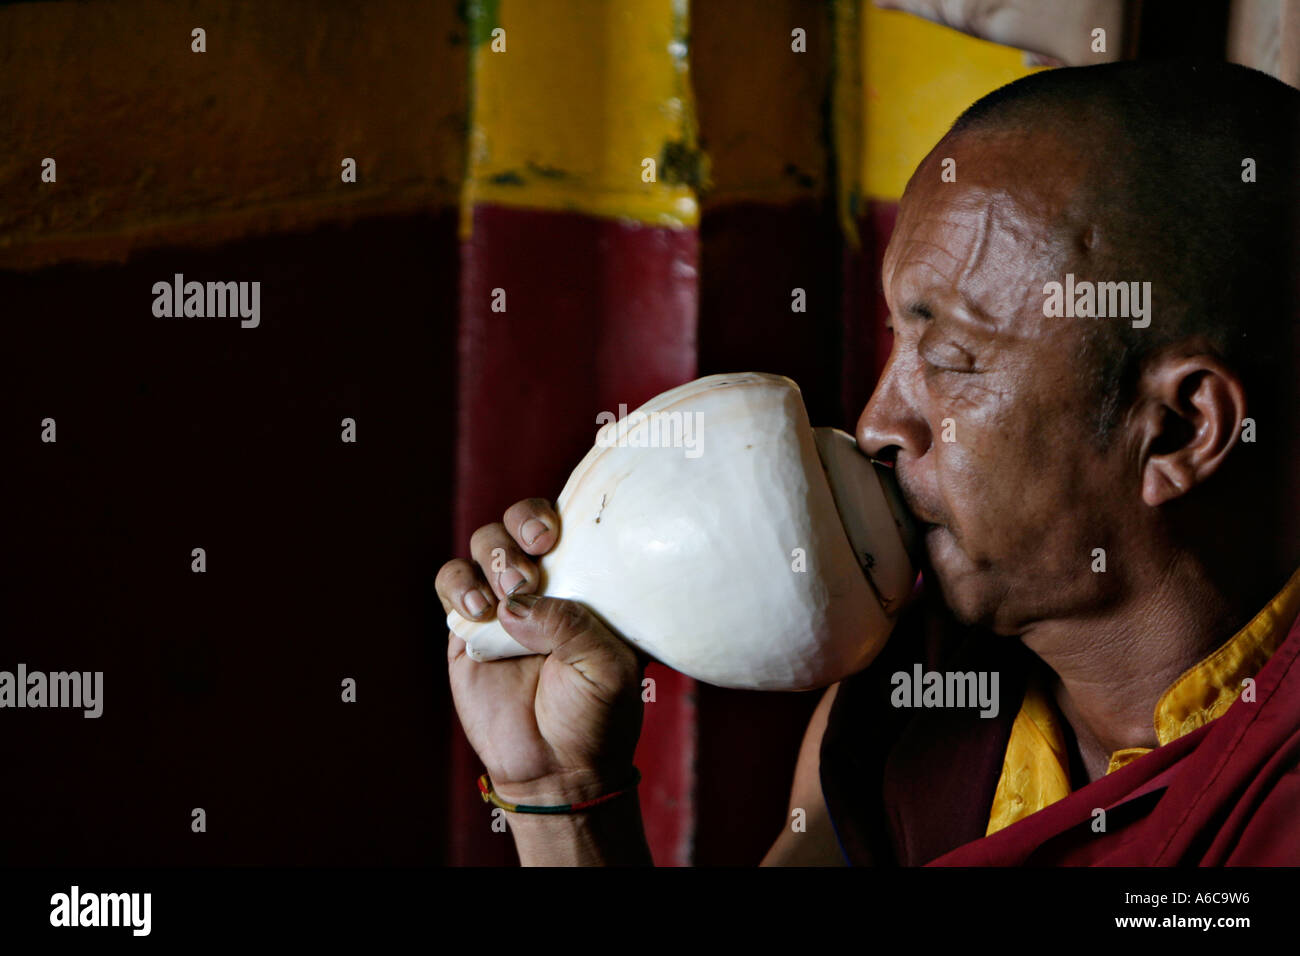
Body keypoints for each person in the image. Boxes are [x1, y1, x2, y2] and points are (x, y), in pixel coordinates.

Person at [434, 59, 1300, 866]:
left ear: (1182, 430)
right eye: (896, 340)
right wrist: (558, 792)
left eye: (952, 358)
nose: (878, 423)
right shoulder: (911, 708)